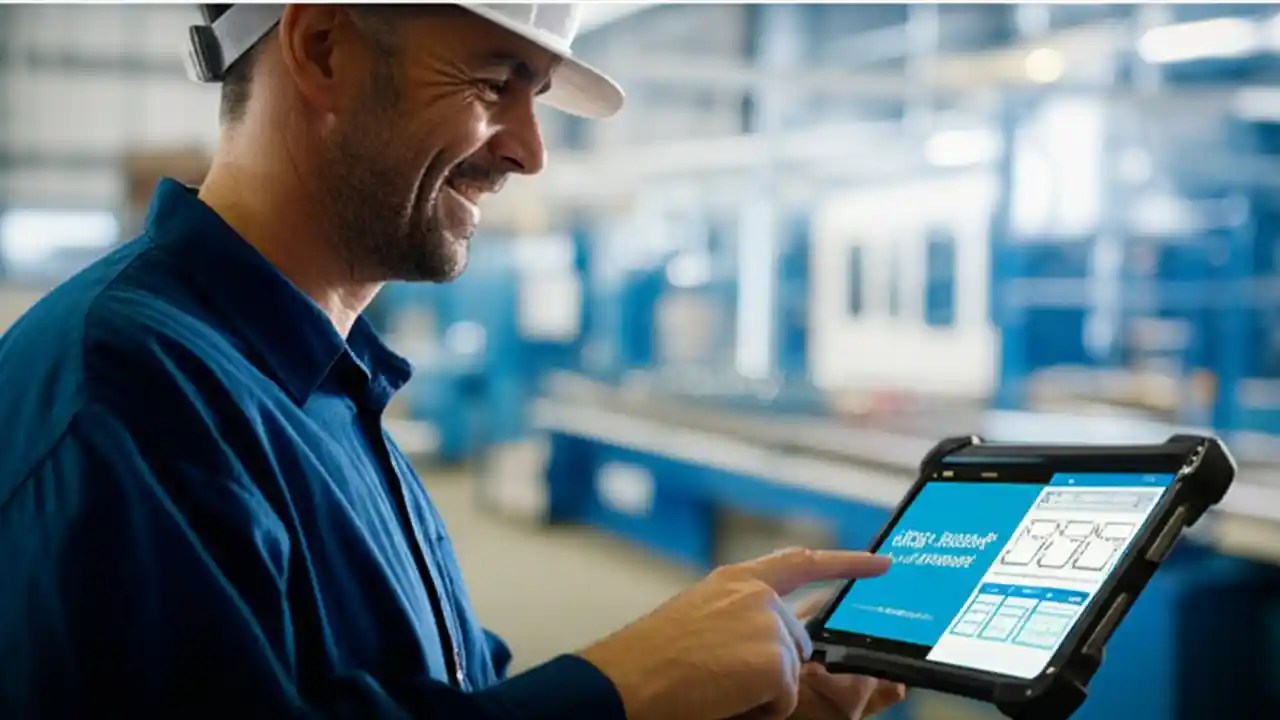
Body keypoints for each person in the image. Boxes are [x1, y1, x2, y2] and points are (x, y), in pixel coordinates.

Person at [0, 4, 905, 718]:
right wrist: (624, 688)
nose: (530, 151)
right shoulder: (129, 392)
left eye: (535, 95)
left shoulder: (323, 389)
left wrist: (706, 704)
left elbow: (442, 697)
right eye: (493, 83)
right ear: (322, 48)